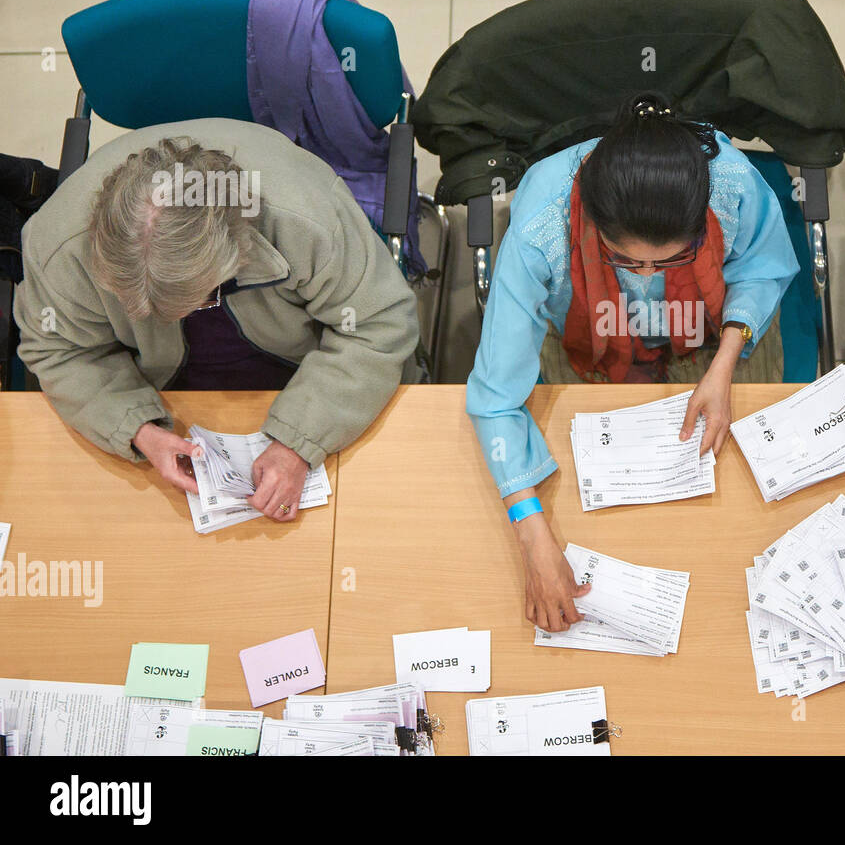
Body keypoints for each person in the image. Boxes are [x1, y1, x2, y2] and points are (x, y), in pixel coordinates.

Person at [466, 92, 799, 632]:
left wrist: (725, 364)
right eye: (626, 261)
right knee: (600, 516)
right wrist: (533, 538)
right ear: (593, 225)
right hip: (590, 344)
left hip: (718, 336)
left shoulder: (731, 181)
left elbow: (762, 268)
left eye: (671, 260)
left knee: (743, 515)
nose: (646, 278)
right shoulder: (541, 224)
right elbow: (495, 396)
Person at [15, 118, 420, 521]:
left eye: (196, 301)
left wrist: (302, 438)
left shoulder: (305, 216)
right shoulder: (58, 247)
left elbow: (376, 324)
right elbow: (58, 351)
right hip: (162, 403)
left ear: (234, 250)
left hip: (316, 385)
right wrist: (136, 430)